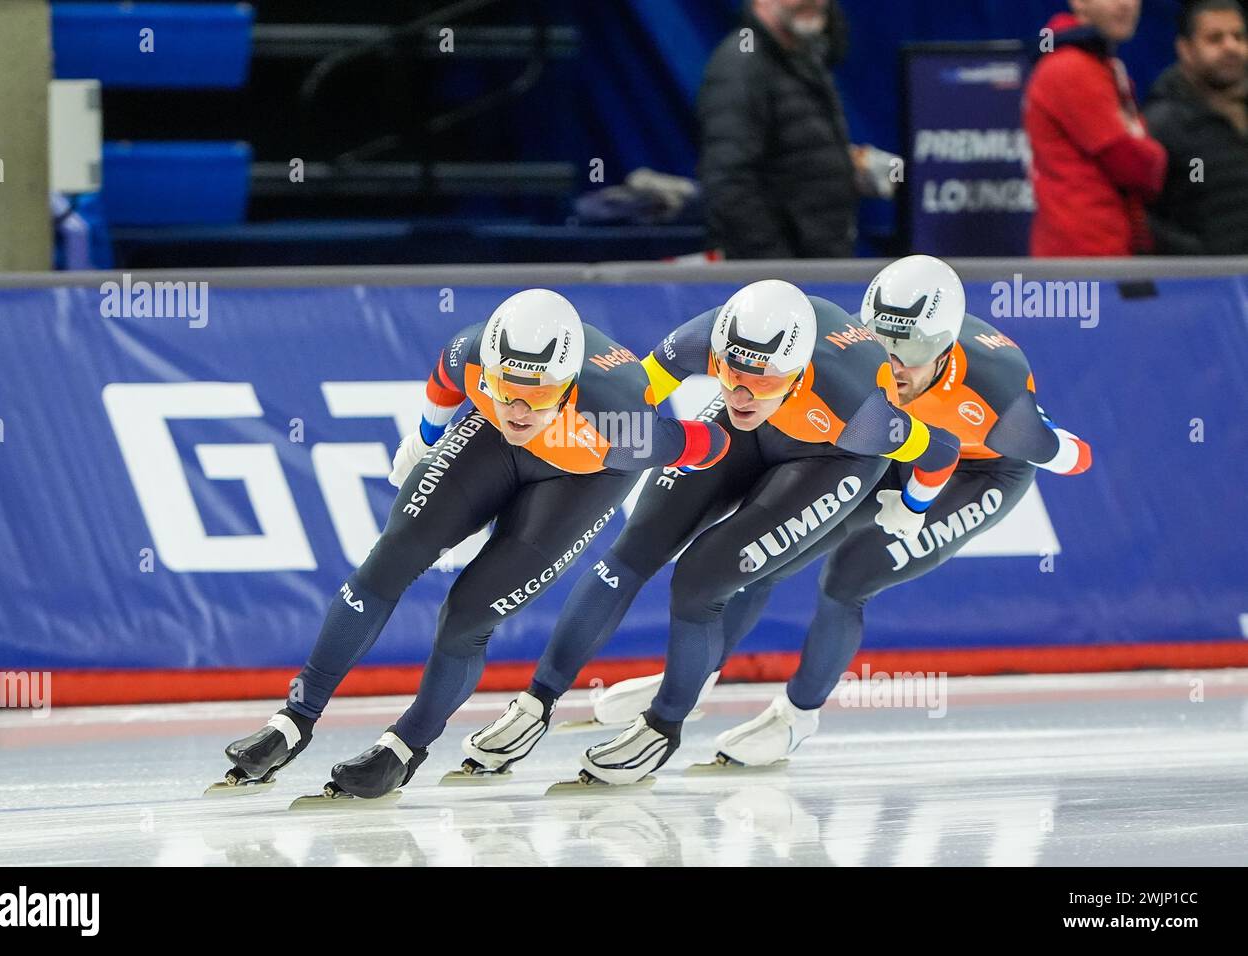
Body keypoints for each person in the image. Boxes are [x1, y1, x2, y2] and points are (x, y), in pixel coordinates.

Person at [578, 256, 1095, 769]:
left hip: (978, 475)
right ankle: (700, 670)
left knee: (847, 578)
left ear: (946, 346)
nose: (892, 364)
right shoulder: (858, 357)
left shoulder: (995, 397)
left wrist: (1032, 447)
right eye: (883, 342)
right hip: (897, 453)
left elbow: (1077, 457)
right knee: (767, 560)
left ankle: (799, 714)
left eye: (911, 351)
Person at [214, 289, 731, 800]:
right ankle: (294, 720)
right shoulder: (471, 352)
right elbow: (444, 376)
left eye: (539, 394)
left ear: (569, 385)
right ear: (491, 369)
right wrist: (425, 437)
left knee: (466, 618)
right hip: (492, 446)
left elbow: (709, 443)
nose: (520, 409)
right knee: (386, 563)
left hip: (585, 475)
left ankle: (405, 747)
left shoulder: (626, 426)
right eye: (506, 387)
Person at [459, 277, 963, 787]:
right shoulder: (706, 339)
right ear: (719, 352)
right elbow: (632, 395)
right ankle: (536, 702)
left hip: (832, 457)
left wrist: (914, 507)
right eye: (730, 372)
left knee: (700, 579)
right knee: (630, 553)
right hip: (756, 432)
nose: (742, 392)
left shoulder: (863, 413)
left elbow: (940, 453)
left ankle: (664, 726)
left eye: (761, 379)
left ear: (796, 373)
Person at [698, 0, 869, 259]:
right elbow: (727, 181)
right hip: (782, 279)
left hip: (821, 264)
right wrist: (778, 270)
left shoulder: (804, 55)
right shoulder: (740, 63)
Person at [1024, 0, 1168, 256]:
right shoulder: (1071, 67)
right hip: (1083, 258)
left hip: (1104, 248)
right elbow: (1136, 166)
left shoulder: (1103, 65)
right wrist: (1158, 156)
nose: (1126, 4)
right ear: (1078, 2)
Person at [1145, 0, 1248, 255]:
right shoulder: (1162, 124)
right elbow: (1142, 220)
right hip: (1202, 286)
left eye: (1238, 36)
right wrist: (1200, 257)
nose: (1231, 47)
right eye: (1215, 39)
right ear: (1186, 49)